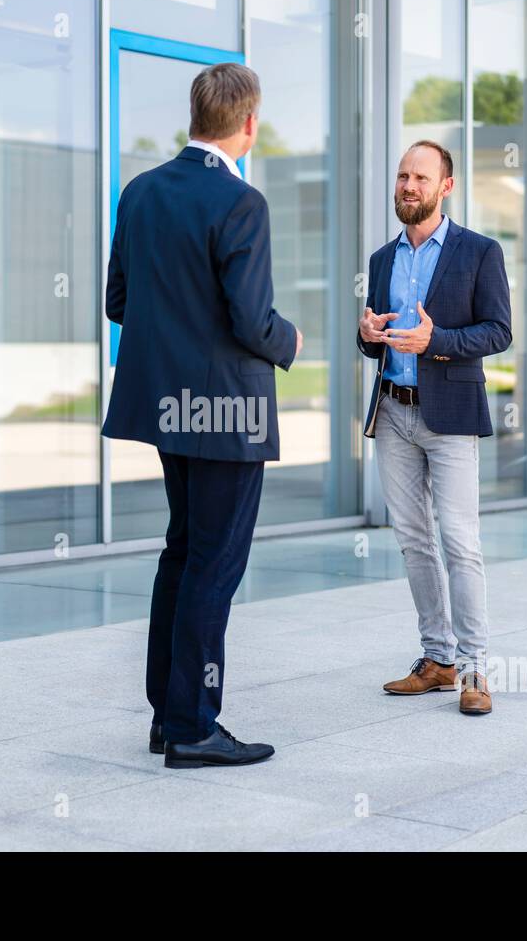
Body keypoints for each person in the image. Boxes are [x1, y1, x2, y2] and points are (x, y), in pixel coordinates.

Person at [103, 63, 302, 767]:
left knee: (183, 555)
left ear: (197, 116)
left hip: (167, 407)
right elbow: (252, 321)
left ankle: (170, 715)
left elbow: (118, 304)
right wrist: (291, 341)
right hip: (227, 411)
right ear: (248, 124)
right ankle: (193, 728)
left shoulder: (140, 191)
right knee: (214, 566)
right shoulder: (240, 202)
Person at [357, 140, 512, 716]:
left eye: (420, 177)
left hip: (448, 418)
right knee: (413, 542)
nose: (407, 186)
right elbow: (375, 336)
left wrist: (437, 342)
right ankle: (437, 659)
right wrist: (368, 334)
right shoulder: (382, 259)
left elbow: (498, 332)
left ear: (445, 187)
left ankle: (474, 670)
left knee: (460, 544)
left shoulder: (479, 252)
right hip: (393, 413)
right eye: (402, 176)